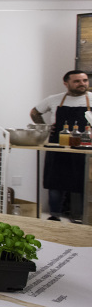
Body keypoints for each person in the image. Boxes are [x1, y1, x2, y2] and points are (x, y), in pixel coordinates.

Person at [30, 70, 90, 222]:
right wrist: (45, 128)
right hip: (57, 145)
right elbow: (34, 112)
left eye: (84, 80)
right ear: (66, 83)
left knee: (84, 182)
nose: (82, 84)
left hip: (85, 147)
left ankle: (82, 217)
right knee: (55, 181)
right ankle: (54, 215)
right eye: (77, 81)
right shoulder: (54, 99)